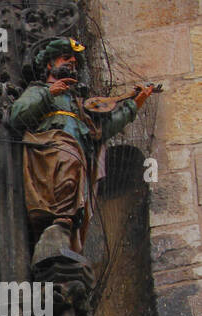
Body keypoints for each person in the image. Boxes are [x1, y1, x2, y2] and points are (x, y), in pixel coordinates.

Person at [9, 36, 155, 257]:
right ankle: (60, 221)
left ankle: (65, 223)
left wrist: (135, 104)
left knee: (74, 165)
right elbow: (17, 115)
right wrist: (50, 93)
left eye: (75, 62)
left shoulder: (80, 103)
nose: (71, 63)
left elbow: (102, 130)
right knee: (69, 157)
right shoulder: (39, 90)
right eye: (66, 58)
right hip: (49, 149)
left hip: (78, 153)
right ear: (50, 64)